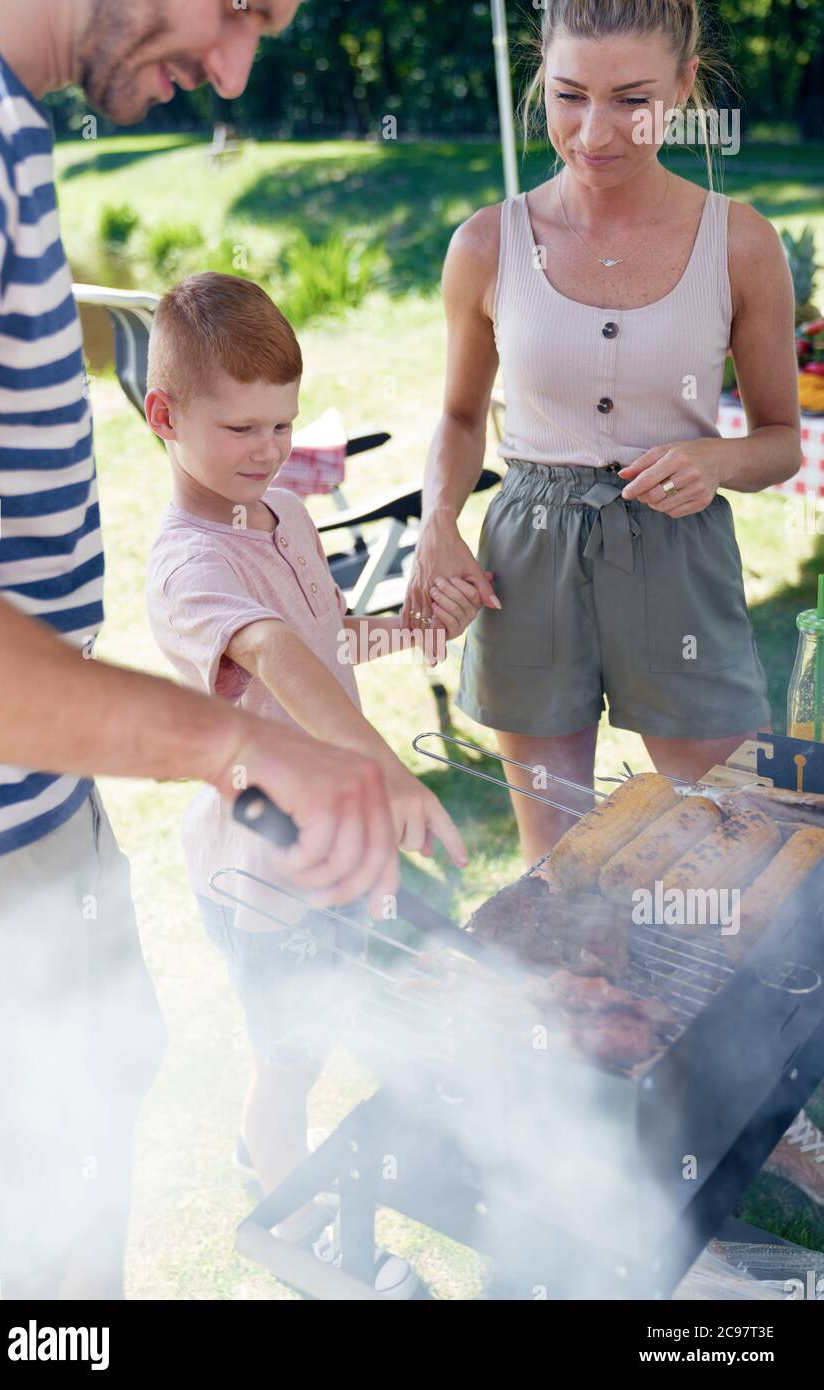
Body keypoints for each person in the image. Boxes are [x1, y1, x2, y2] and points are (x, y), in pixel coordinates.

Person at [0, 0, 401, 1301]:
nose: (234, 68)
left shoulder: (3, 118)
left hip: (28, 810)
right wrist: (236, 741)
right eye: (238, 8)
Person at [404, 0, 824, 1220]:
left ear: (686, 86)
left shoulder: (738, 241)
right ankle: (580, 1129)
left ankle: (767, 1108)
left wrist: (714, 462)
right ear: (539, 81)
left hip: (677, 545)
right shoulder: (485, 242)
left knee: (733, 843)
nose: (595, 129)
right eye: (570, 94)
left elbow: (778, 438)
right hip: (527, 546)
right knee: (562, 864)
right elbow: (455, 418)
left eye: (632, 98)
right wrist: (437, 520)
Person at [144, 272, 479, 1281]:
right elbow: (279, 664)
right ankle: (295, 1233)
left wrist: (406, 628)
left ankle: (266, 1142)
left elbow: (322, 642)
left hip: (339, 852)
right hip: (263, 872)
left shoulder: (282, 511)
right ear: (163, 415)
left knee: (317, 1034)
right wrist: (388, 771)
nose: (267, 450)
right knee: (288, 1061)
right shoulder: (188, 568)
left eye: (281, 424)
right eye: (240, 428)